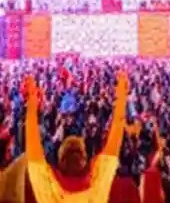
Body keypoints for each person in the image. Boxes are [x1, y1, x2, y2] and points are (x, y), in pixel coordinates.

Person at [24, 69, 129, 203]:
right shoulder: (98, 183)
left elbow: (33, 153)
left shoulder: (47, 189)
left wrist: (32, 102)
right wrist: (122, 95)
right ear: (85, 158)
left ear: (60, 160)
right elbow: (118, 127)